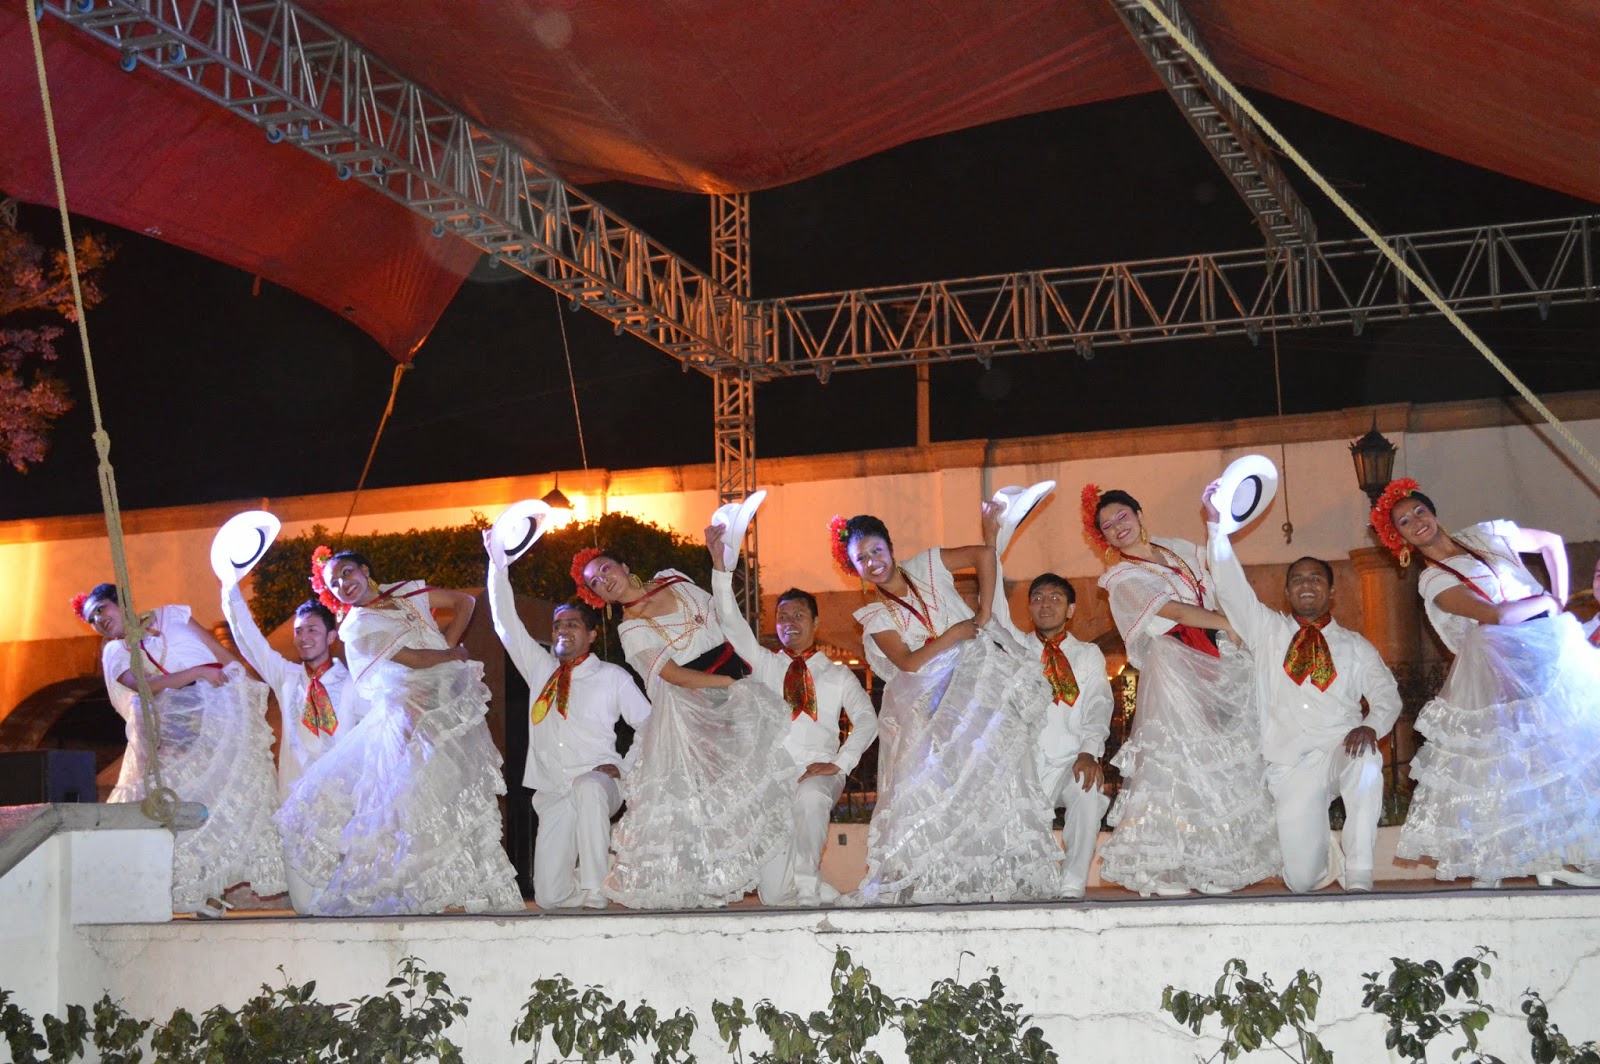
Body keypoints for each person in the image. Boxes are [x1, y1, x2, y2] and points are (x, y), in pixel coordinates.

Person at [1372, 479, 1600, 887]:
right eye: (1404, 522)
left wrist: (1560, 598)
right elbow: (1493, 615)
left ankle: (1569, 855)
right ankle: (1506, 862)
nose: (1416, 521)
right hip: (1500, 668)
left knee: (1567, 756)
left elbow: (1550, 542)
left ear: (1433, 512)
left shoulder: (1485, 534)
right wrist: (1545, 601)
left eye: (1419, 511)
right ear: (1400, 538)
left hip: (1549, 648)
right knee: (1512, 768)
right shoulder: (1432, 580)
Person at [273, 550, 523, 915]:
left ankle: (461, 895)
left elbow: (464, 602)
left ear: (364, 569)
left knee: (453, 800)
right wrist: (451, 656)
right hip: (405, 718)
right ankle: (415, 901)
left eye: (346, 573)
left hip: (442, 708)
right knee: (410, 806)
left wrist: (448, 648)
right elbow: (414, 660)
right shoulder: (356, 626)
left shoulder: (405, 591)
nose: (343, 584)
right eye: (334, 584)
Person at [836, 509, 1060, 905]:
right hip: (931, 702)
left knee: (997, 778)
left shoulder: (925, 565)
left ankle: (999, 876)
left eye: (876, 550)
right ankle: (940, 878)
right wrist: (955, 634)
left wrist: (984, 612)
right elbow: (908, 662)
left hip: (979, 682)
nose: (872, 562)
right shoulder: (875, 615)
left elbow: (984, 556)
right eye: (862, 559)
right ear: (854, 568)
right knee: (940, 791)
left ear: (890, 547)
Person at [1204, 487, 1402, 893]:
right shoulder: (1267, 630)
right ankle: (1324, 853)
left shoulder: (1355, 646)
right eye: (1297, 580)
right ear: (1287, 591)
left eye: (1315, 579)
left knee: (1366, 760)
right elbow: (1231, 588)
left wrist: (1372, 726)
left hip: (1340, 749)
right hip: (1289, 764)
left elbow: (1388, 697)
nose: (1306, 585)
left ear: (1331, 590)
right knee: (1301, 881)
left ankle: (1360, 872)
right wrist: (1216, 528)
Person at [1084, 485, 1279, 897]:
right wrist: (1227, 623)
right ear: (1103, 537)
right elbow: (1172, 611)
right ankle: (1164, 869)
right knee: (1180, 765)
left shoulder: (1176, 550)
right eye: (1107, 525)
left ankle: (1215, 864)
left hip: (1213, 657)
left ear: (1139, 513)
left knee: (1217, 763)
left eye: (1122, 516)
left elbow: (1218, 582)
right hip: (1174, 665)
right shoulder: (1120, 578)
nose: (1118, 527)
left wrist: (1215, 523)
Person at [575, 546, 796, 909]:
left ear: (624, 565)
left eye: (605, 569)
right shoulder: (631, 629)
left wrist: (719, 564)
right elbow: (673, 675)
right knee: (711, 805)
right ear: (599, 597)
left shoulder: (673, 577)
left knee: (763, 782)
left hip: (737, 683)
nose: (604, 580)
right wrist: (730, 685)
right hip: (695, 711)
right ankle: (710, 888)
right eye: (595, 583)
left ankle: (783, 888)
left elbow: (724, 616)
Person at [77, 584, 284, 916]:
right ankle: (175, 890)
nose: (98, 620)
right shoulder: (116, 650)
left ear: (121, 601)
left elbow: (218, 651)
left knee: (226, 801)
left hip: (220, 711)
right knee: (178, 805)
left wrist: (247, 686)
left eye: (101, 609)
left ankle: (211, 890)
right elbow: (143, 686)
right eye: (91, 619)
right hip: (174, 728)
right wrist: (198, 672)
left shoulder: (172, 615)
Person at [705, 526, 879, 906]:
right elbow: (731, 622)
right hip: (775, 778)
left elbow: (868, 720)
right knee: (772, 895)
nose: (789, 623)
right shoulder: (765, 664)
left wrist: (840, 763)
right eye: (782, 616)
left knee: (811, 797)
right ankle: (820, 890)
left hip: (820, 772)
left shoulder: (837, 675)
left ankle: (808, 888)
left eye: (799, 615)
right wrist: (720, 567)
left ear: (816, 624)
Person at [486, 532, 651, 910]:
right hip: (553, 790)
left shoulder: (612, 676)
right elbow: (505, 624)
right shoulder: (541, 670)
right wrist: (496, 564)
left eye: (573, 624)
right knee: (549, 896)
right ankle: (606, 871)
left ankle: (596, 887)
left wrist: (625, 767)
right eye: (558, 625)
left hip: (600, 784)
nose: (562, 630)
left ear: (591, 634)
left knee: (588, 787)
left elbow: (650, 724)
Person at [222, 587, 370, 911]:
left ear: (331, 636)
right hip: (294, 811)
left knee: (339, 906)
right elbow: (251, 642)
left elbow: (373, 740)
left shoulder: (354, 684)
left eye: (312, 630)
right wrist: (230, 589)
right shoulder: (287, 678)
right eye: (299, 631)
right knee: (304, 907)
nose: (303, 637)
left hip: (339, 814)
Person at [990, 572, 1113, 899]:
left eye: (1055, 598)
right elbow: (993, 609)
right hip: (1025, 761)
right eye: (1038, 598)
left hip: (1072, 759)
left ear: (1070, 609)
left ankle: (1072, 884)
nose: (1046, 605)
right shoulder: (1016, 649)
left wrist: (1089, 751)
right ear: (1029, 608)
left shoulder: (1087, 653)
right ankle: (1027, 881)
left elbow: (1099, 704)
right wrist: (991, 547)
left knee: (1088, 789)